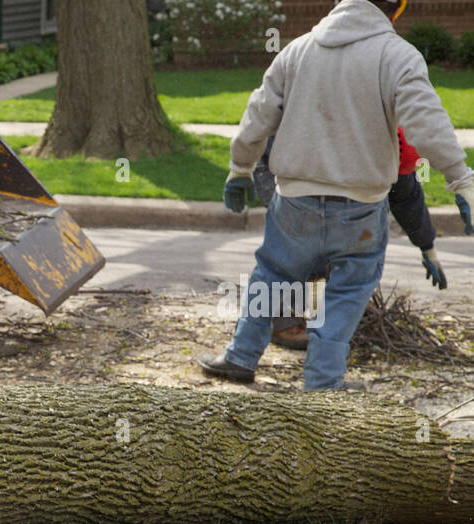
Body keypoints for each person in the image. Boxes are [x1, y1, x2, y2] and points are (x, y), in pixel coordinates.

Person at [199, 0, 474, 390]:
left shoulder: (297, 50)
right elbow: (426, 121)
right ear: (396, 9)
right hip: (360, 205)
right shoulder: (398, 56)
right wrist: (460, 177)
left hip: (295, 199)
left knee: (273, 275)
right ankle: (323, 381)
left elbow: (259, 112)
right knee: (348, 290)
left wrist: (239, 168)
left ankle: (241, 357)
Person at [252, 127, 456, 350]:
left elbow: (407, 199)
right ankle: (279, 315)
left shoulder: (393, 147)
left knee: (364, 236)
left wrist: (427, 247)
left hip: (339, 171)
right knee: (303, 242)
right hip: (282, 164)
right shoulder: (349, 131)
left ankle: (346, 303)